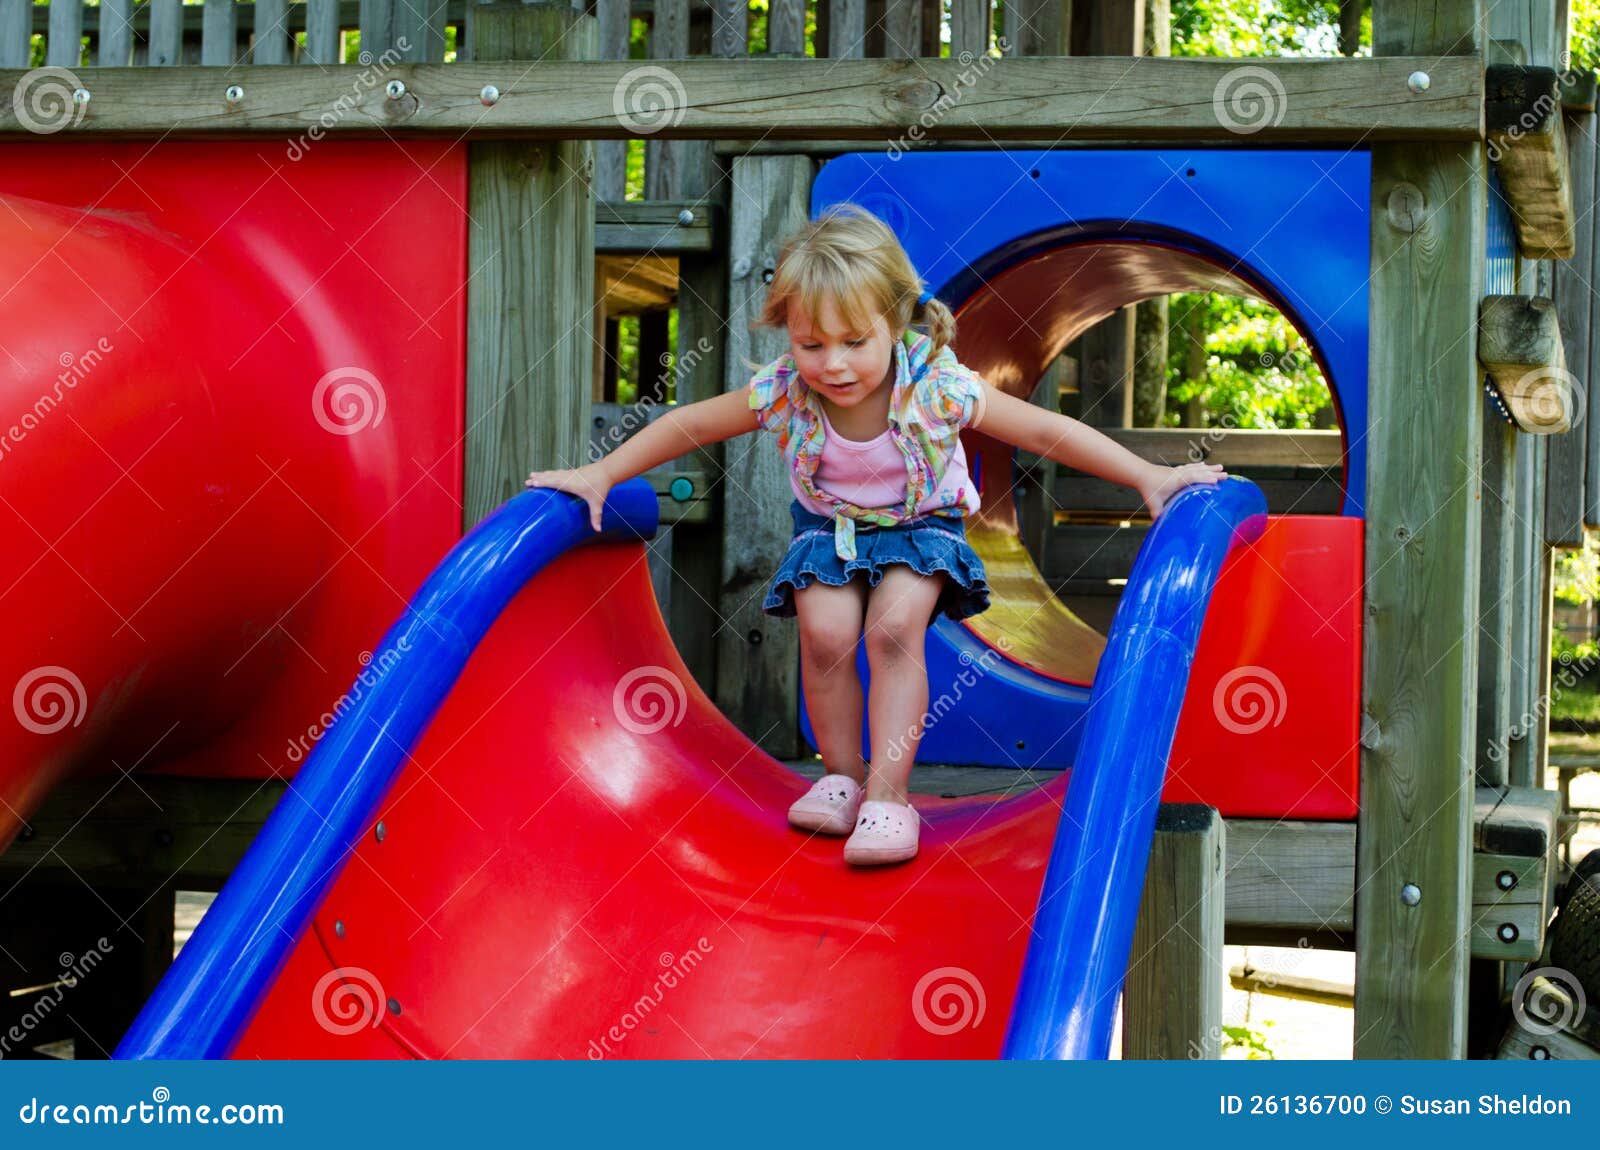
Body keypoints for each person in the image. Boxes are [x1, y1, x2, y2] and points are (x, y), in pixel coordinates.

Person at [525, 203, 1225, 867]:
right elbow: (692, 424)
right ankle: (842, 778)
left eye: (855, 342)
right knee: (826, 633)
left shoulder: (938, 387)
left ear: (895, 321)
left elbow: (1046, 430)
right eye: (811, 344)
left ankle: (889, 797)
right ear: (788, 334)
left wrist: (1147, 476)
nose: (833, 364)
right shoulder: (786, 390)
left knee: (892, 630)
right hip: (830, 530)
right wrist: (602, 473)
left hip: (922, 527)